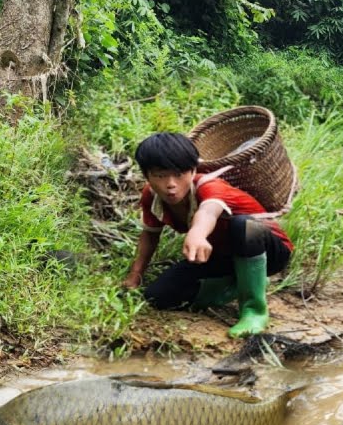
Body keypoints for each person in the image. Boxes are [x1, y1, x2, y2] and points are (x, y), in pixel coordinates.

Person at [122, 132, 294, 338]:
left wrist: (196, 233)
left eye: (179, 174)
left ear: (193, 170)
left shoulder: (210, 186)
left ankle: (254, 310)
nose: (170, 184)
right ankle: (238, 284)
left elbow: (208, 211)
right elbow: (150, 234)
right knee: (157, 296)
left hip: (267, 249)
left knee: (244, 225)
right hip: (221, 255)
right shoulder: (151, 196)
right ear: (147, 175)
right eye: (160, 175)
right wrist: (135, 276)